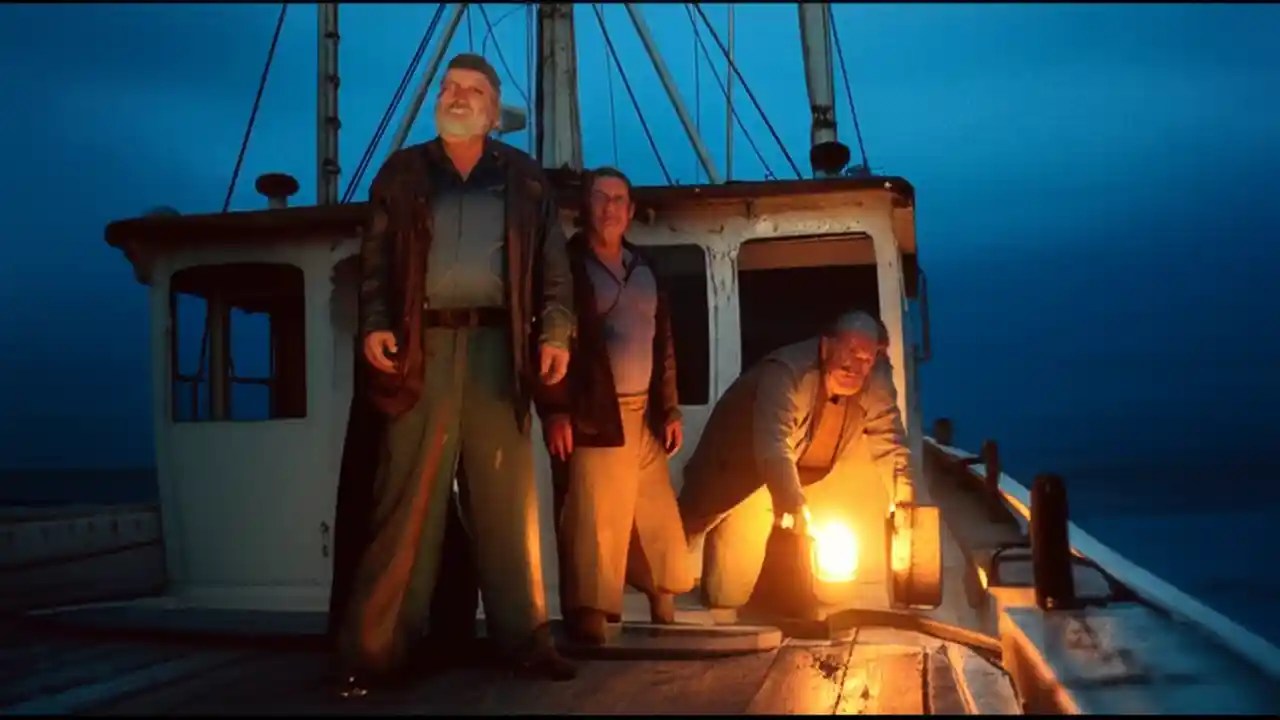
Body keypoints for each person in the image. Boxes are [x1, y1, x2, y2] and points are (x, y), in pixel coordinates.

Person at [328, 52, 577, 697]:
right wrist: (376, 322)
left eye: (473, 91)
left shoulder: (524, 178)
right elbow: (376, 259)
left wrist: (555, 333)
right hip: (424, 348)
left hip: (499, 349)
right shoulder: (404, 172)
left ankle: (526, 641)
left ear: (494, 114)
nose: (457, 97)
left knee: (507, 502)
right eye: (449, 87)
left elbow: (552, 265)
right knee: (406, 497)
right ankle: (375, 649)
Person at [538, 167, 694, 645]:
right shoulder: (566, 269)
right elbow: (545, 340)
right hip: (594, 412)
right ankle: (590, 615)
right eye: (600, 198)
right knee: (594, 519)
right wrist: (555, 410)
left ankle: (662, 596)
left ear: (630, 210)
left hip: (643, 414)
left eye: (618, 199)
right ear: (585, 207)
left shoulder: (643, 267)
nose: (610, 207)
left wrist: (670, 409)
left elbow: (663, 342)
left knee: (656, 516)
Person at [676, 310, 917, 611]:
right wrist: (793, 505)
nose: (856, 367)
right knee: (726, 595)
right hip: (744, 473)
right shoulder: (785, 372)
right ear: (826, 346)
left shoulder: (874, 376)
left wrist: (908, 508)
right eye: (850, 353)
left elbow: (892, 444)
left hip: (805, 472)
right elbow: (773, 446)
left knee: (829, 579)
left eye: (866, 359)